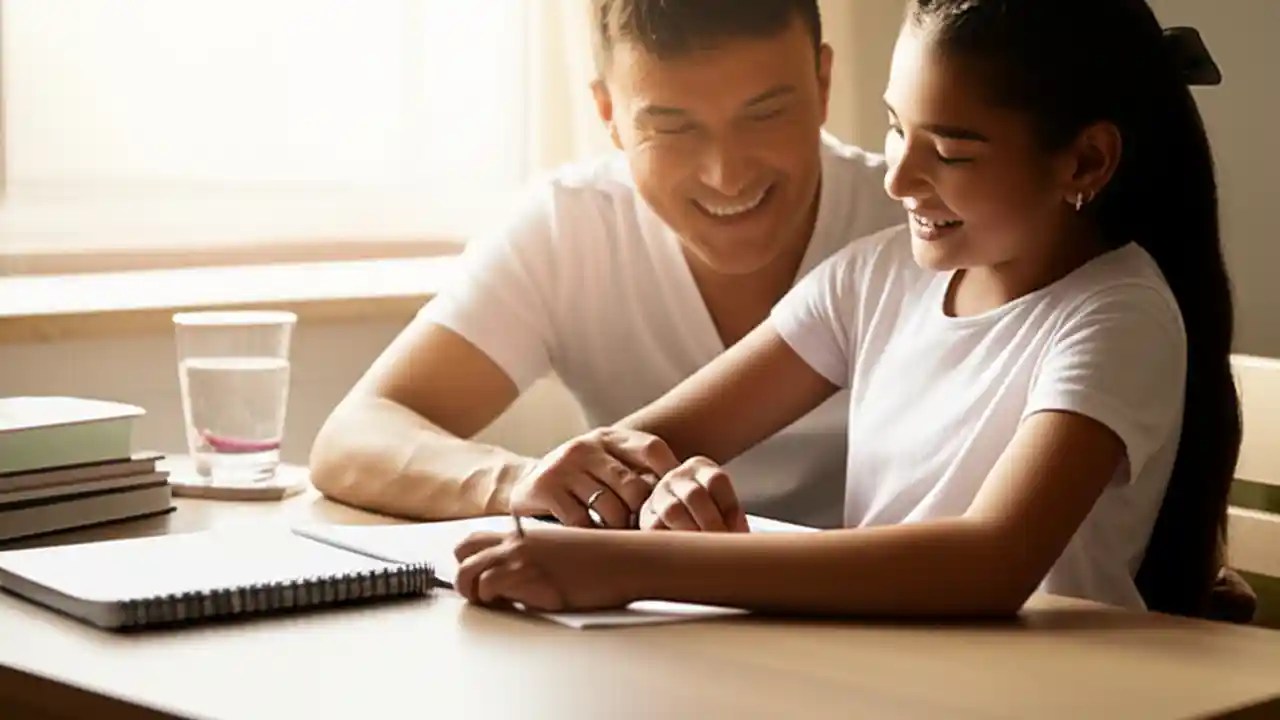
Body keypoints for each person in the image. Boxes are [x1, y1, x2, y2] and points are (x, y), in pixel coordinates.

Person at [454, 0, 1242, 619]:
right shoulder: (872, 277)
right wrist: (578, 484)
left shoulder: (1116, 315)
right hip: (882, 667)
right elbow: (644, 447)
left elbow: (988, 565)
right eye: (895, 129)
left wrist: (632, 566)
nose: (899, 180)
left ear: (1086, 160)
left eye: (952, 151)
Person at [308, 0, 904, 529]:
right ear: (608, 113)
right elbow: (353, 437)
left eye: (765, 114)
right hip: (640, 612)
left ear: (823, 83)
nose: (727, 173)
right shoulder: (571, 228)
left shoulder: (915, 224)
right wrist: (518, 482)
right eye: (671, 127)